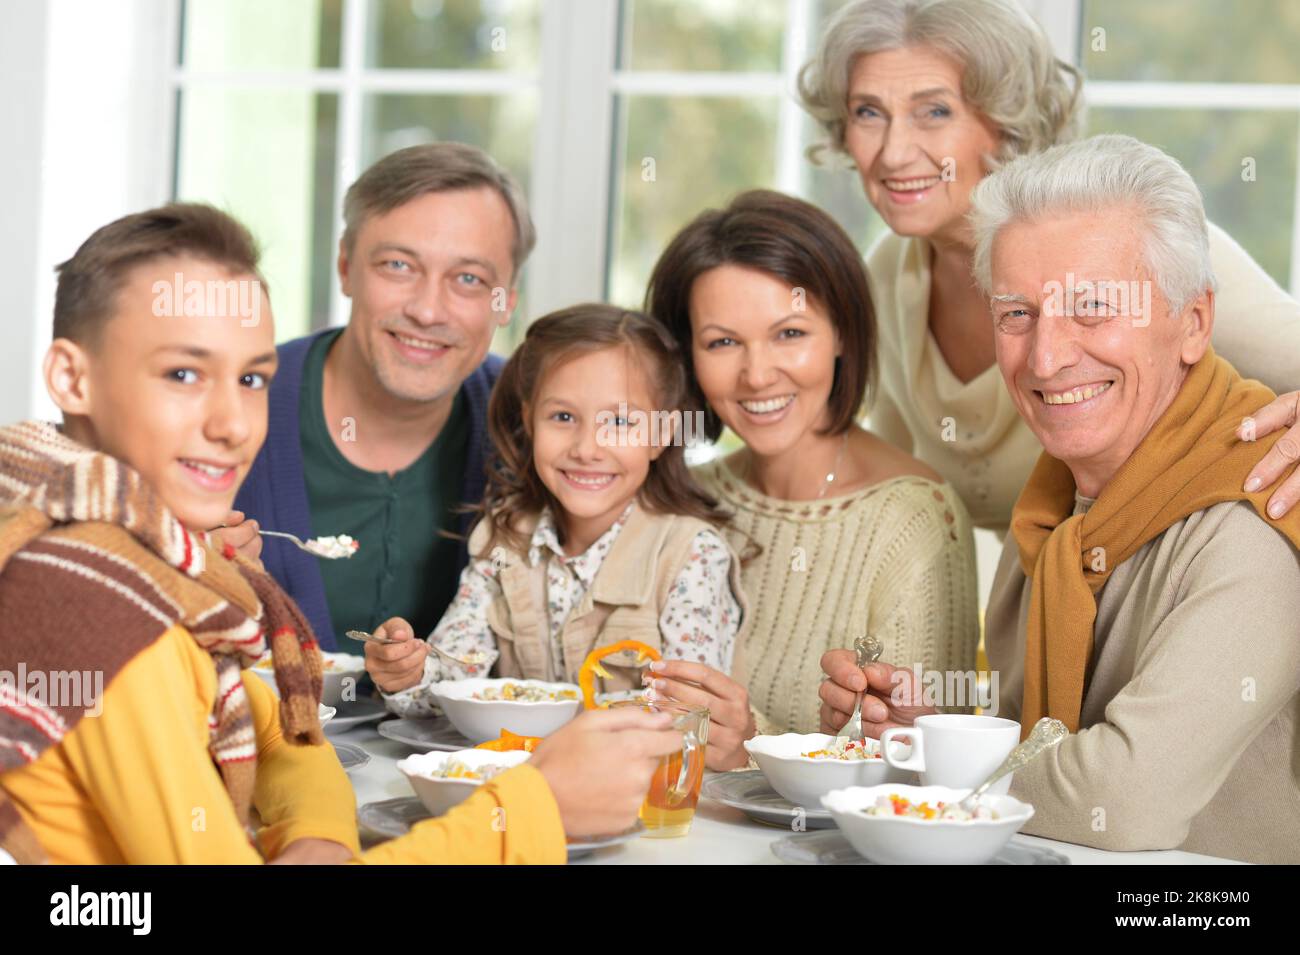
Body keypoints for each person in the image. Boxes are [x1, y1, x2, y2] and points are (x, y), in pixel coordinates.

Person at [0, 203, 684, 865]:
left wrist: (316, 835)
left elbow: (284, 732)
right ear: (71, 377)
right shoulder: (99, 608)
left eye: (251, 378)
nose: (233, 423)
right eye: (183, 373)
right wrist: (537, 808)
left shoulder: (141, 559)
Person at [819, 136, 1300, 864]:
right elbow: (1047, 748)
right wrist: (934, 728)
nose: (1045, 358)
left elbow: (1124, 800)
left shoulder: (1254, 516)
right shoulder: (1050, 510)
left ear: (1194, 322)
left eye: (1094, 307)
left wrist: (932, 762)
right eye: (1017, 314)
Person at [797, 0, 1300, 534]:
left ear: (1009, 119)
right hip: (1035, 607)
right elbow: (901, 501)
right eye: (868, 112)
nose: (893, 153)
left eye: (935, 111)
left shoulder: (1138, 242)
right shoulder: (889, 275)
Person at [645, 189, 979, 736]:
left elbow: (919, 774)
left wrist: (748, 746)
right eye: (723, 342)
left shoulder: (916, 520)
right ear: (686, 355)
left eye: (790, 334)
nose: (756, 375)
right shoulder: (681, 498)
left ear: (843, 333)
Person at [365, 305, 750, 768]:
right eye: (563, 417)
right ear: (529, 420)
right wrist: (406, 672)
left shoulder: (690, 555)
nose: (587, 448)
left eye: (622, 422)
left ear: (662, 433)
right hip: (524, 793)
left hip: (639, 805)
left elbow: (691, 725)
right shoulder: (502, 541)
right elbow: (449, 679)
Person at [223, 142, 530, 653]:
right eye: (398, 266)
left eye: (469, 279)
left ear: (506, 303)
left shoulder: (540, 426)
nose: (429, 311)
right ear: (345, 266)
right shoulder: (230, 407)